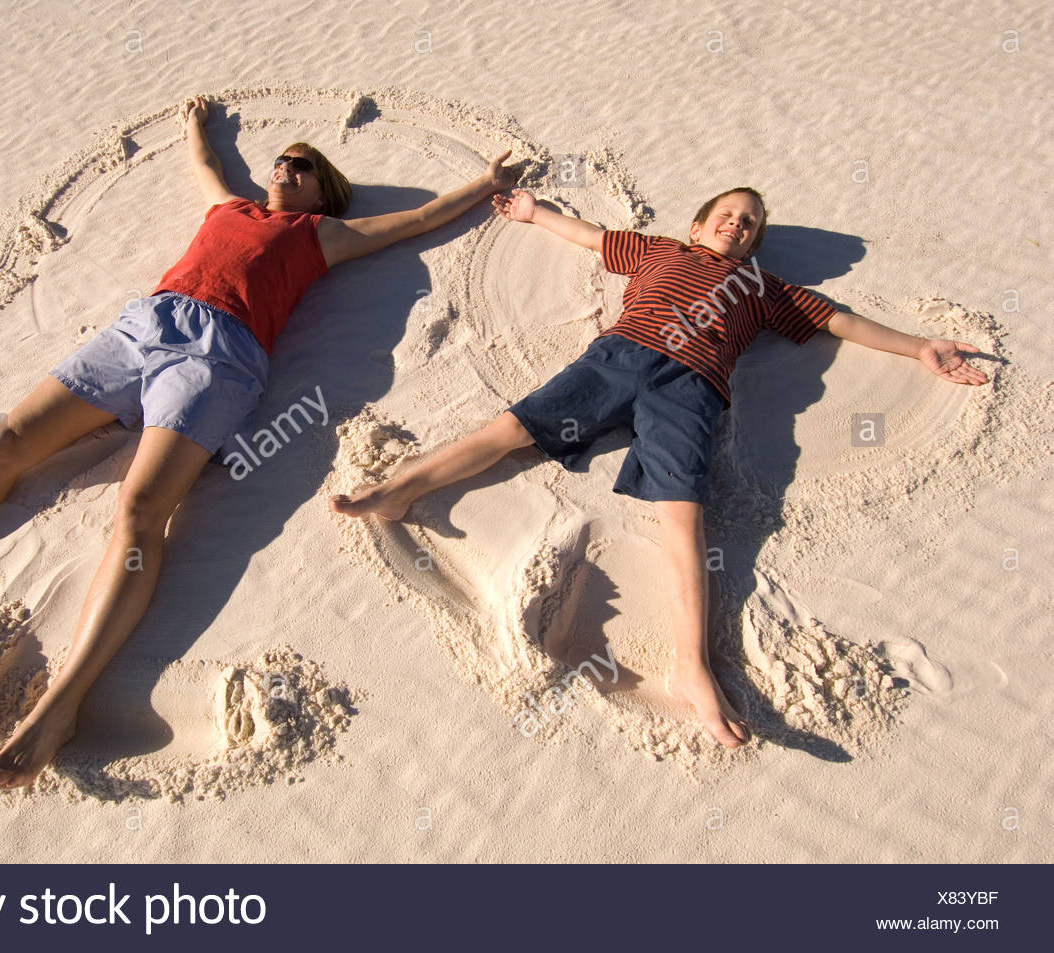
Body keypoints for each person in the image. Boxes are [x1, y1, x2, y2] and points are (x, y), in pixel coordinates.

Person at [0, 95, 519, 788]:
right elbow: (206, 169)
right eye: (281, 162)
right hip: (141, 328)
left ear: (322, 190)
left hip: (218, 358)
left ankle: (60, 703)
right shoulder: (232, 206)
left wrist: (486, 181)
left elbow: (419, 220)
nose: (283, 170)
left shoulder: (319, 236)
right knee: (2, 442)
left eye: (300, 166)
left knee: (140, 512)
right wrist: (197, 125)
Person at [330, 185, 989, 748]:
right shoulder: (660, 251)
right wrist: (533, 213)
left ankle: (691, 667)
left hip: (693, 388)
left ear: (754, 245)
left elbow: (839, 320)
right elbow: (591, 238)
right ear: (697, 227)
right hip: (617, 357)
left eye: (751, 223)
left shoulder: (763, 288)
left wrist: (919, 346)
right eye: (728, 214)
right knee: (510, 428)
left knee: (683, 518)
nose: (739, 223)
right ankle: (400, 490)